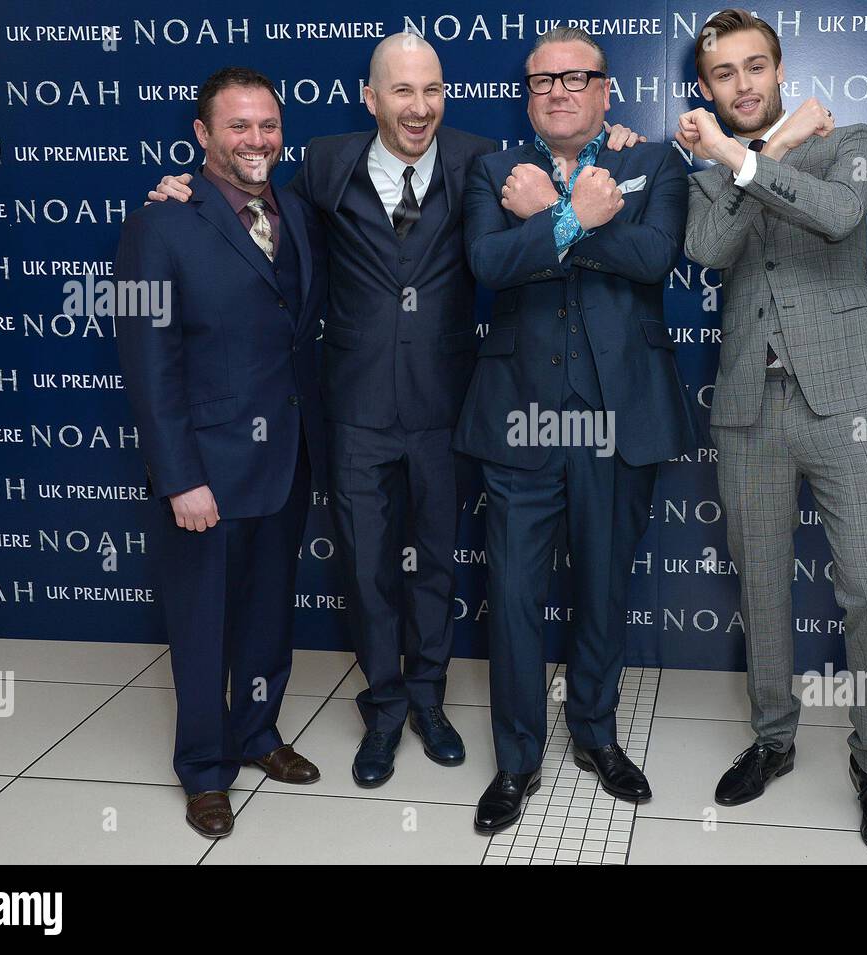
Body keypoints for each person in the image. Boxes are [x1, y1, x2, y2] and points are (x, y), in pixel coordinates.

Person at [147, 37, 644, 789]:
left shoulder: (480, 160)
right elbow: (245, 199)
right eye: (402, 92)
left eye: (432, 90)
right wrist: (181, 190)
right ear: (371, 98)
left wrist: (619, 137)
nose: (419, 107)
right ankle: (381, 708)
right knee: (368, 569)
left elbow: (568, 182)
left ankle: (429, 701)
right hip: (352, 408)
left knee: (435, 564)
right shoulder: (321, 164)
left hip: (448, 405)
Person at [677, 9, 867, 862]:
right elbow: (709, 247)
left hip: (846, 394)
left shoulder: (849, 138)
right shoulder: (706, 174)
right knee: (763, 584)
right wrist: (760, 155)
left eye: (755, 68)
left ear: (779, 69)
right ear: (705, 88)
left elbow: (839, 217)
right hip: (748, 405)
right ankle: (775, 737)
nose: (741, 85)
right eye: (724, 75)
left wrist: (745, 158)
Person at [457, 27, 696, 834]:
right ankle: (517, 758)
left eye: (575, 78)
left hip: (618, 420)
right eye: (541, 81)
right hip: (518, 421)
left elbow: (654, 257)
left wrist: (554, 218)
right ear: (528, 96)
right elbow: (491, 265)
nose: (556, 91)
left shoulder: (655, 162)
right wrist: (577, 219)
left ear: (605, 91)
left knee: (602, 588)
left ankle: (595, 735)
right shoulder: (494, 170)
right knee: (515, 599)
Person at [116, 67, 328, 838]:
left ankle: (259, 733)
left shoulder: (295, 210)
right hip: (204, 472)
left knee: (269, 618)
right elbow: (149, 364)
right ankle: (205, 767)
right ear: (202, 136)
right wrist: (179, 478)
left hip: (285, 461)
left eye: (267, 125)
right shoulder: (160, 224)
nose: (257, 140)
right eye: (237, 127)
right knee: (203, 625)